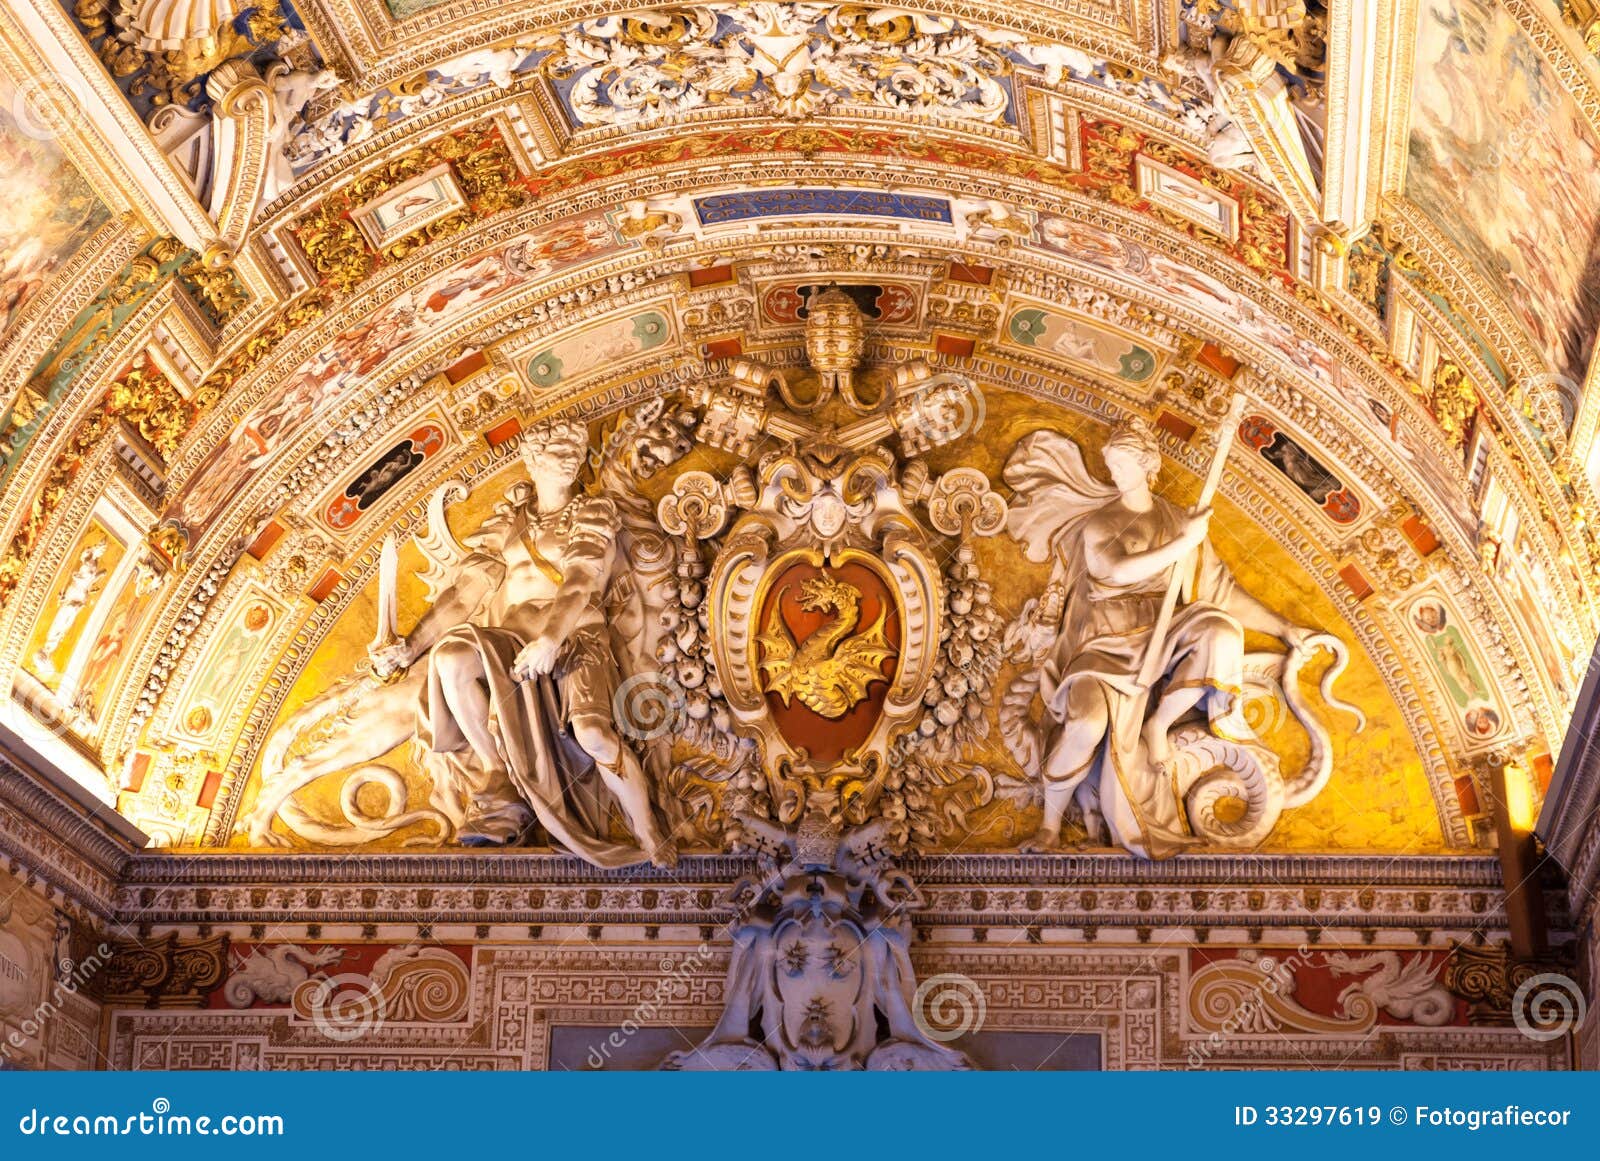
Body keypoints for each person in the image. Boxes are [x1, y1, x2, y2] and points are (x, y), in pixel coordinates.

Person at [369, 420, 676, 864]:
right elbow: (465, 594)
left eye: (575, 446)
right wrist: (409, 648)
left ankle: (648, 829)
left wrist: (551, 640)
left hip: (574, 638)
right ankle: (499, 770)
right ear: (532, 460)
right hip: (511, 641)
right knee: (452, 656)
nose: (570, 453)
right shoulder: (509, 521)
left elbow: (579, 580)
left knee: (594, 735)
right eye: (557, 447)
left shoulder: (593, 512)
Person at [1004, 418, 1313, 857]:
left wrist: (1283, 627)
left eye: (1124, 465)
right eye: (1112, 465)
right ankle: (1050, 827)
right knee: (1086, 725)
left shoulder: (1174, 520)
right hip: (1103, 649)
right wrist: (1182, 543)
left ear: (1148, 464)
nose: (1116, 474)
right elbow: (1114, 570)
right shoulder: (1103, 525)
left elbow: (1222, 592)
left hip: (1162, 635)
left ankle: (1159, 723)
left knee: (1221, 631)